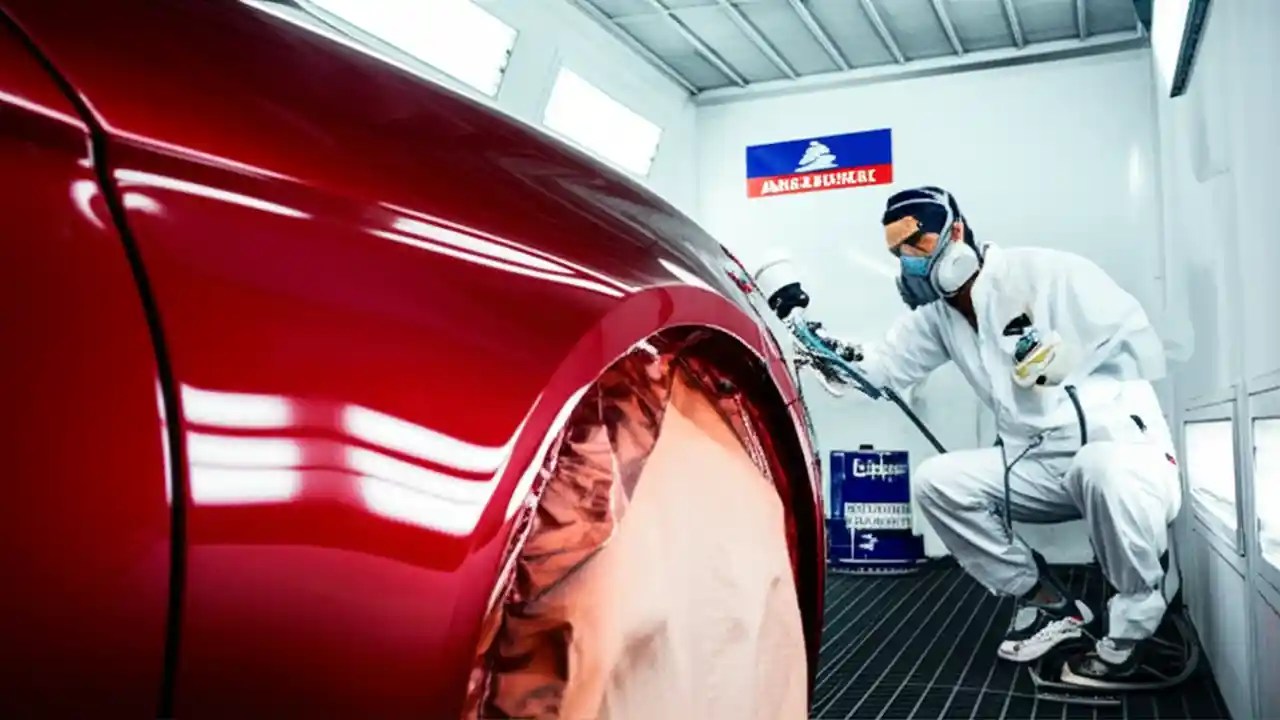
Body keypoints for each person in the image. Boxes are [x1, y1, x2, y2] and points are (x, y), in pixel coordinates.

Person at [816, 185, 1182, 686]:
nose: (910, 263)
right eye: (899, 253)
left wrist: (1067, 356)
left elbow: (1139, 340)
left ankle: (1134, 633)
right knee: (936, 482)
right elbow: (883, 369)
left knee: (1101, 468)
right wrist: (832, 355)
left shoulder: (1047, 272)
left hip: (1124, 456)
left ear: (956, 233)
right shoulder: (938, 318)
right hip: (1037, 467)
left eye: (917, 244)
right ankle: (1049, 604)